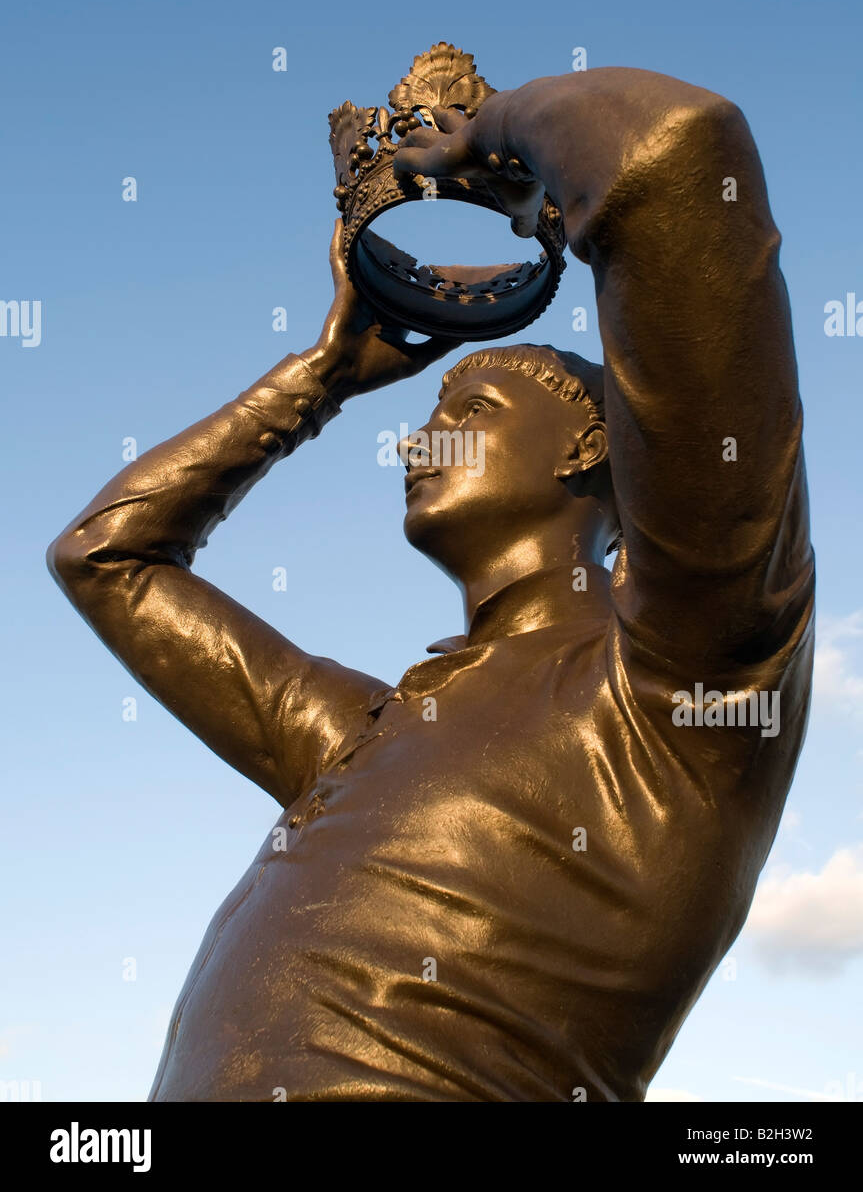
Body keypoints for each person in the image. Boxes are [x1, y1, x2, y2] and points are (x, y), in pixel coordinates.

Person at [47, 66, 814, 1102]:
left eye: (475, 407)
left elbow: (675, 145)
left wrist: (491, 142)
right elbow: (106, 558)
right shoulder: (366, 732)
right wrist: (319, 377)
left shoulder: (678, 681)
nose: (422, 436)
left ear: (590, 445)